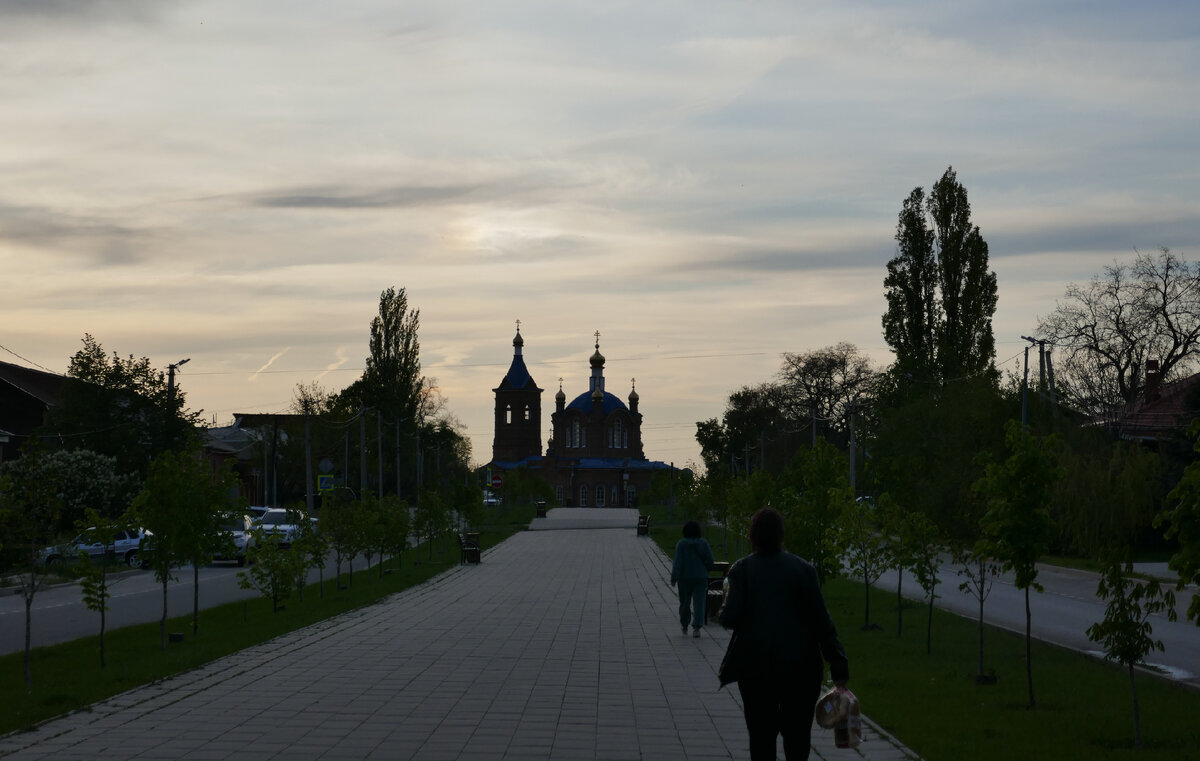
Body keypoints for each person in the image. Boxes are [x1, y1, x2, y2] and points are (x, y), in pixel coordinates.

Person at [718, 507, 849, 761]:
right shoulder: (804, 570)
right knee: (798, 737)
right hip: (801, 669)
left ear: (752, 535)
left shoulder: (742, 570)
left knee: (761, 737)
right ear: (781, 535)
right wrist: (839, 665)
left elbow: (729, 617)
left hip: (756, 669)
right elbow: (823, 622)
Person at [670, 520, 715, 637]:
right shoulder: (703, 543)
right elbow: (710, 560)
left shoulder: (681, 544)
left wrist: (674, 577)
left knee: (684, 602)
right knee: (699, 602)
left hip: (684, 578)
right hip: (700, 577)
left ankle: (684, 624)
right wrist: (708, 569)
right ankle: (697, 628)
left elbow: (677, 562)